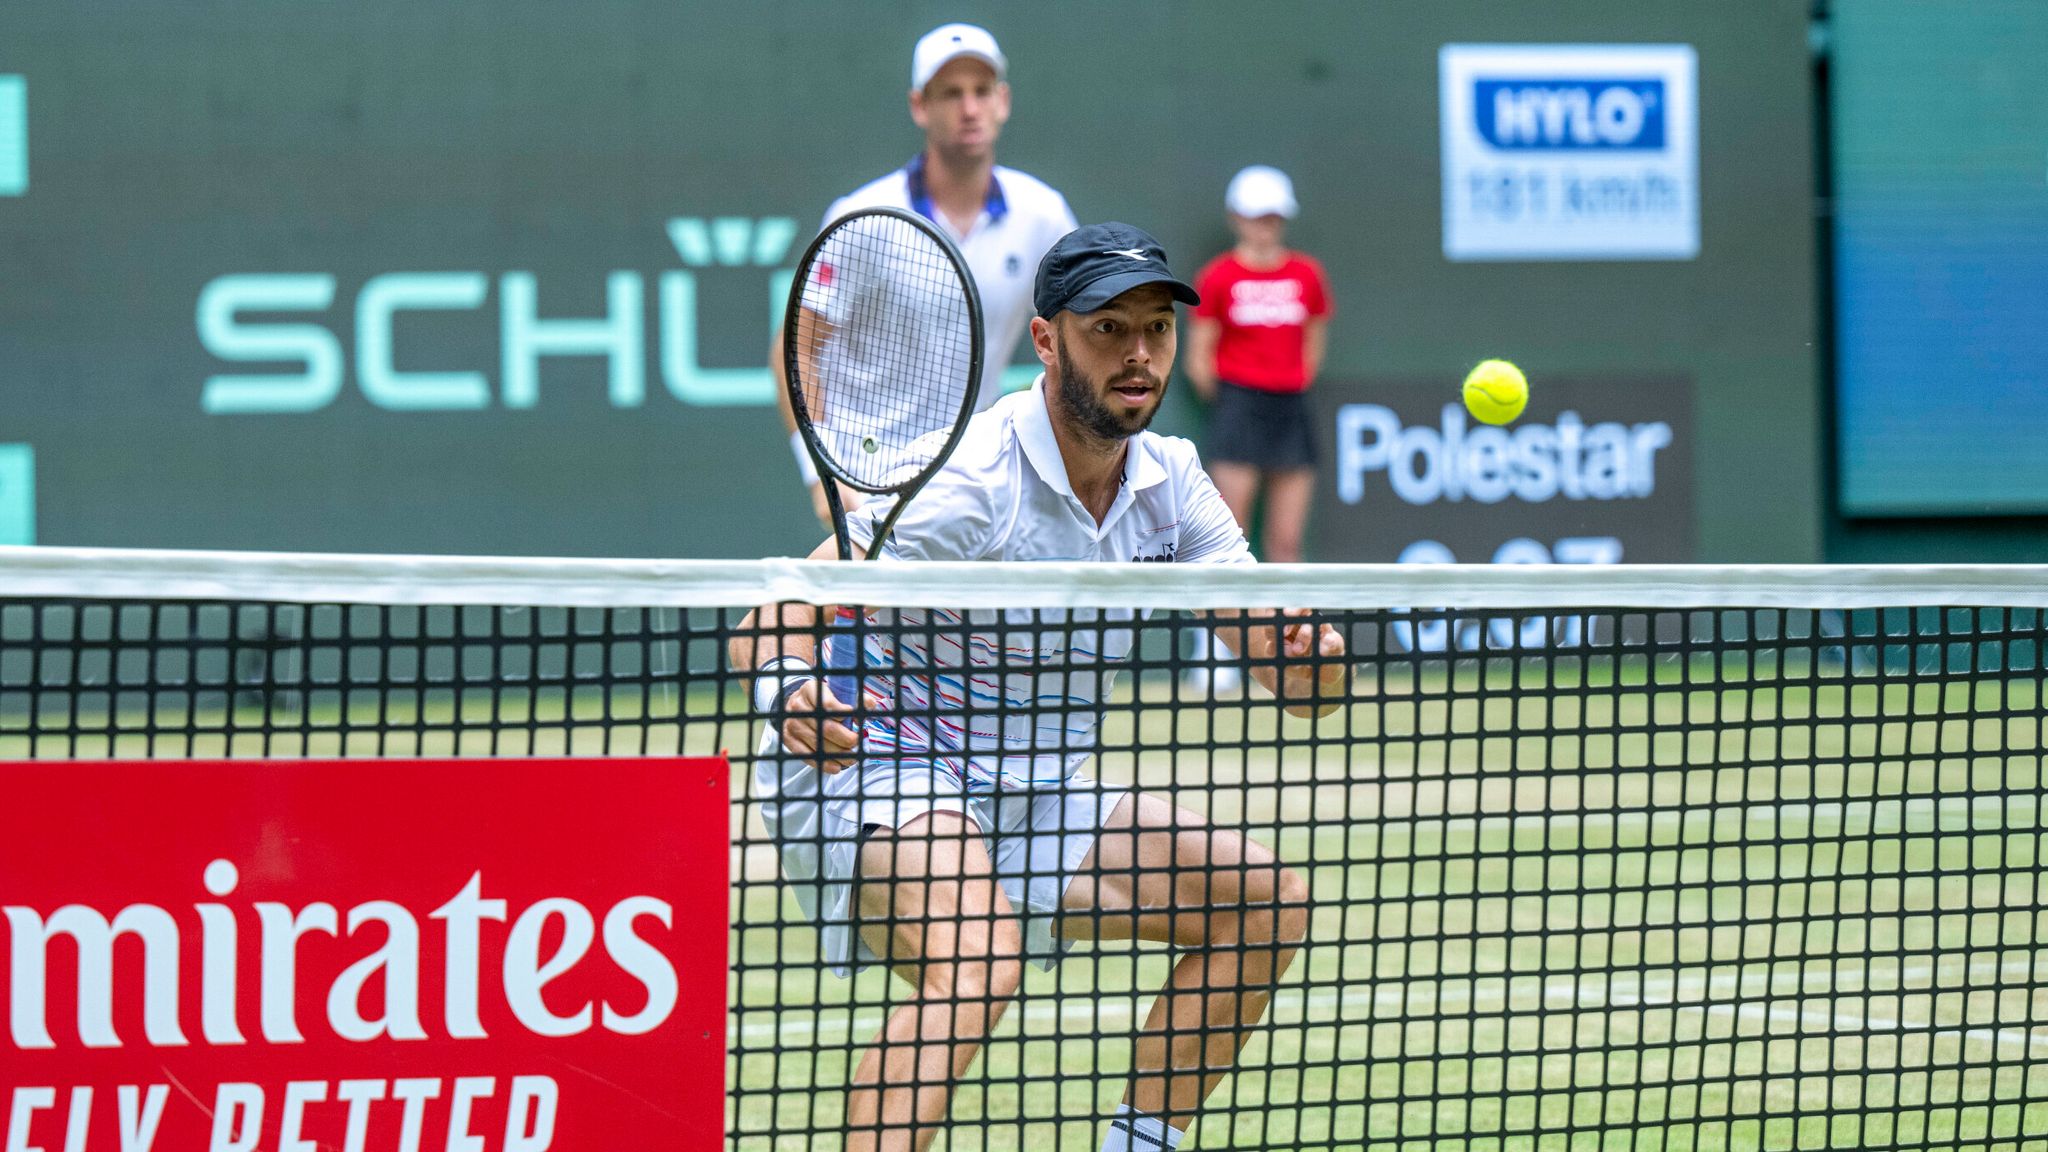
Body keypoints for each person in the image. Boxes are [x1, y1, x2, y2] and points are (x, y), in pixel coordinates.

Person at [732, 223, 1350, 1152]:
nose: (1139, 354)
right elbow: (772, 617)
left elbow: (1285, 670)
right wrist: (789, 690)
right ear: (1049, 340)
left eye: (1156, 329)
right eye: (1109, 329)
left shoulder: (1174, 484)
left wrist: (1314, 663)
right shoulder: (972, 483)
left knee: (1266, 903)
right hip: (878, 766)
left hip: (1034, 788)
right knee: (980, 960)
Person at [775, 22, 1079, 530]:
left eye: (982, 91)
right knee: (817, 612)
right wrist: (822, 472)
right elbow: (795, 346)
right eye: (951, 94)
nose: (969, 108)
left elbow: (1081, 336)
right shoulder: (863, 215)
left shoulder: (1043, 215)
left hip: (970, 477)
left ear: (1002, 101)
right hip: (864, 476)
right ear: (921, 106)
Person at [1186, 165, 1333, 563]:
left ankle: (1293, 626)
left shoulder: (1308, 274)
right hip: (1239, 406)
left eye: (1272, 216)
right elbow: (1199, 356)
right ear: (1237, 218)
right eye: (1256, 215)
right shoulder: (1218, 276)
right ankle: (1221, 627)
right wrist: (1234, 398)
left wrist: (1291, 378)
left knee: (1286, 542)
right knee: (1231, 536)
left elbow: (1314, 340)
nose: (1264, 225)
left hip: (1291, 406)